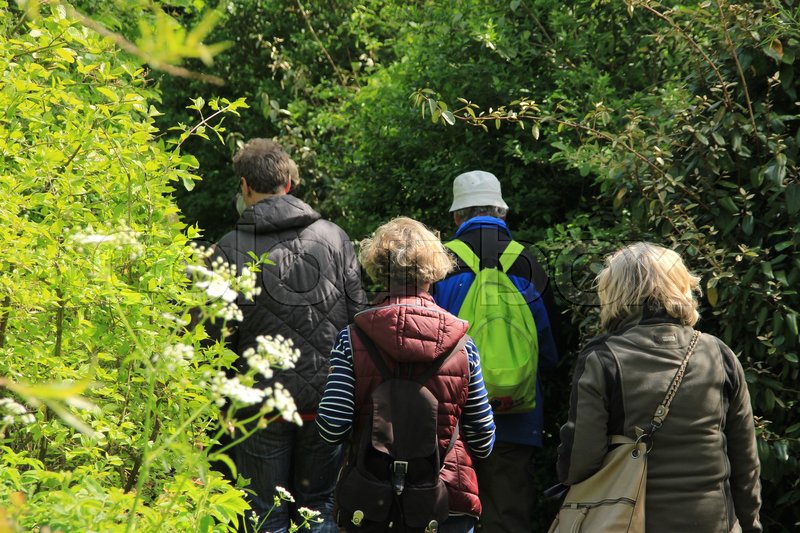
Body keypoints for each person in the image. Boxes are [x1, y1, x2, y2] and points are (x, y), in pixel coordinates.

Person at [212, 138, 366, 532]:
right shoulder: (335, 238)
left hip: (257, 408)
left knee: (264, 513)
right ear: (290, 183)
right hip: (327, 403)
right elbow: (358, 320)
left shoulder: (228, 249)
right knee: (318, 509)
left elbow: (211, 340)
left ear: (245, 186)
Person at [556, 242, 762, 532]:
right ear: (681, 287)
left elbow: (581, 459)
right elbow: (746, 463)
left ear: (615, 292)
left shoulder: (602, 357)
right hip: (713, 520)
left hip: (629, 521)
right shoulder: (719, 354)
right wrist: (750, 524)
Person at [316, 217, 496, 532]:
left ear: (379, 269)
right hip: (444, 504)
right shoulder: (463, 346)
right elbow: (483, 441)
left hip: (371, 505)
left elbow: (332, 428)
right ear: (434, 269)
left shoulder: (353, 338)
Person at [432, 170, 560, 532]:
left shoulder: (440, 263)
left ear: (457, 217)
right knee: (508, 515)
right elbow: (549, 351)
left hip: (452, 419)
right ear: (501, 213)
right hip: (516, 416)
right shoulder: (527, 262)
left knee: (453, 514)